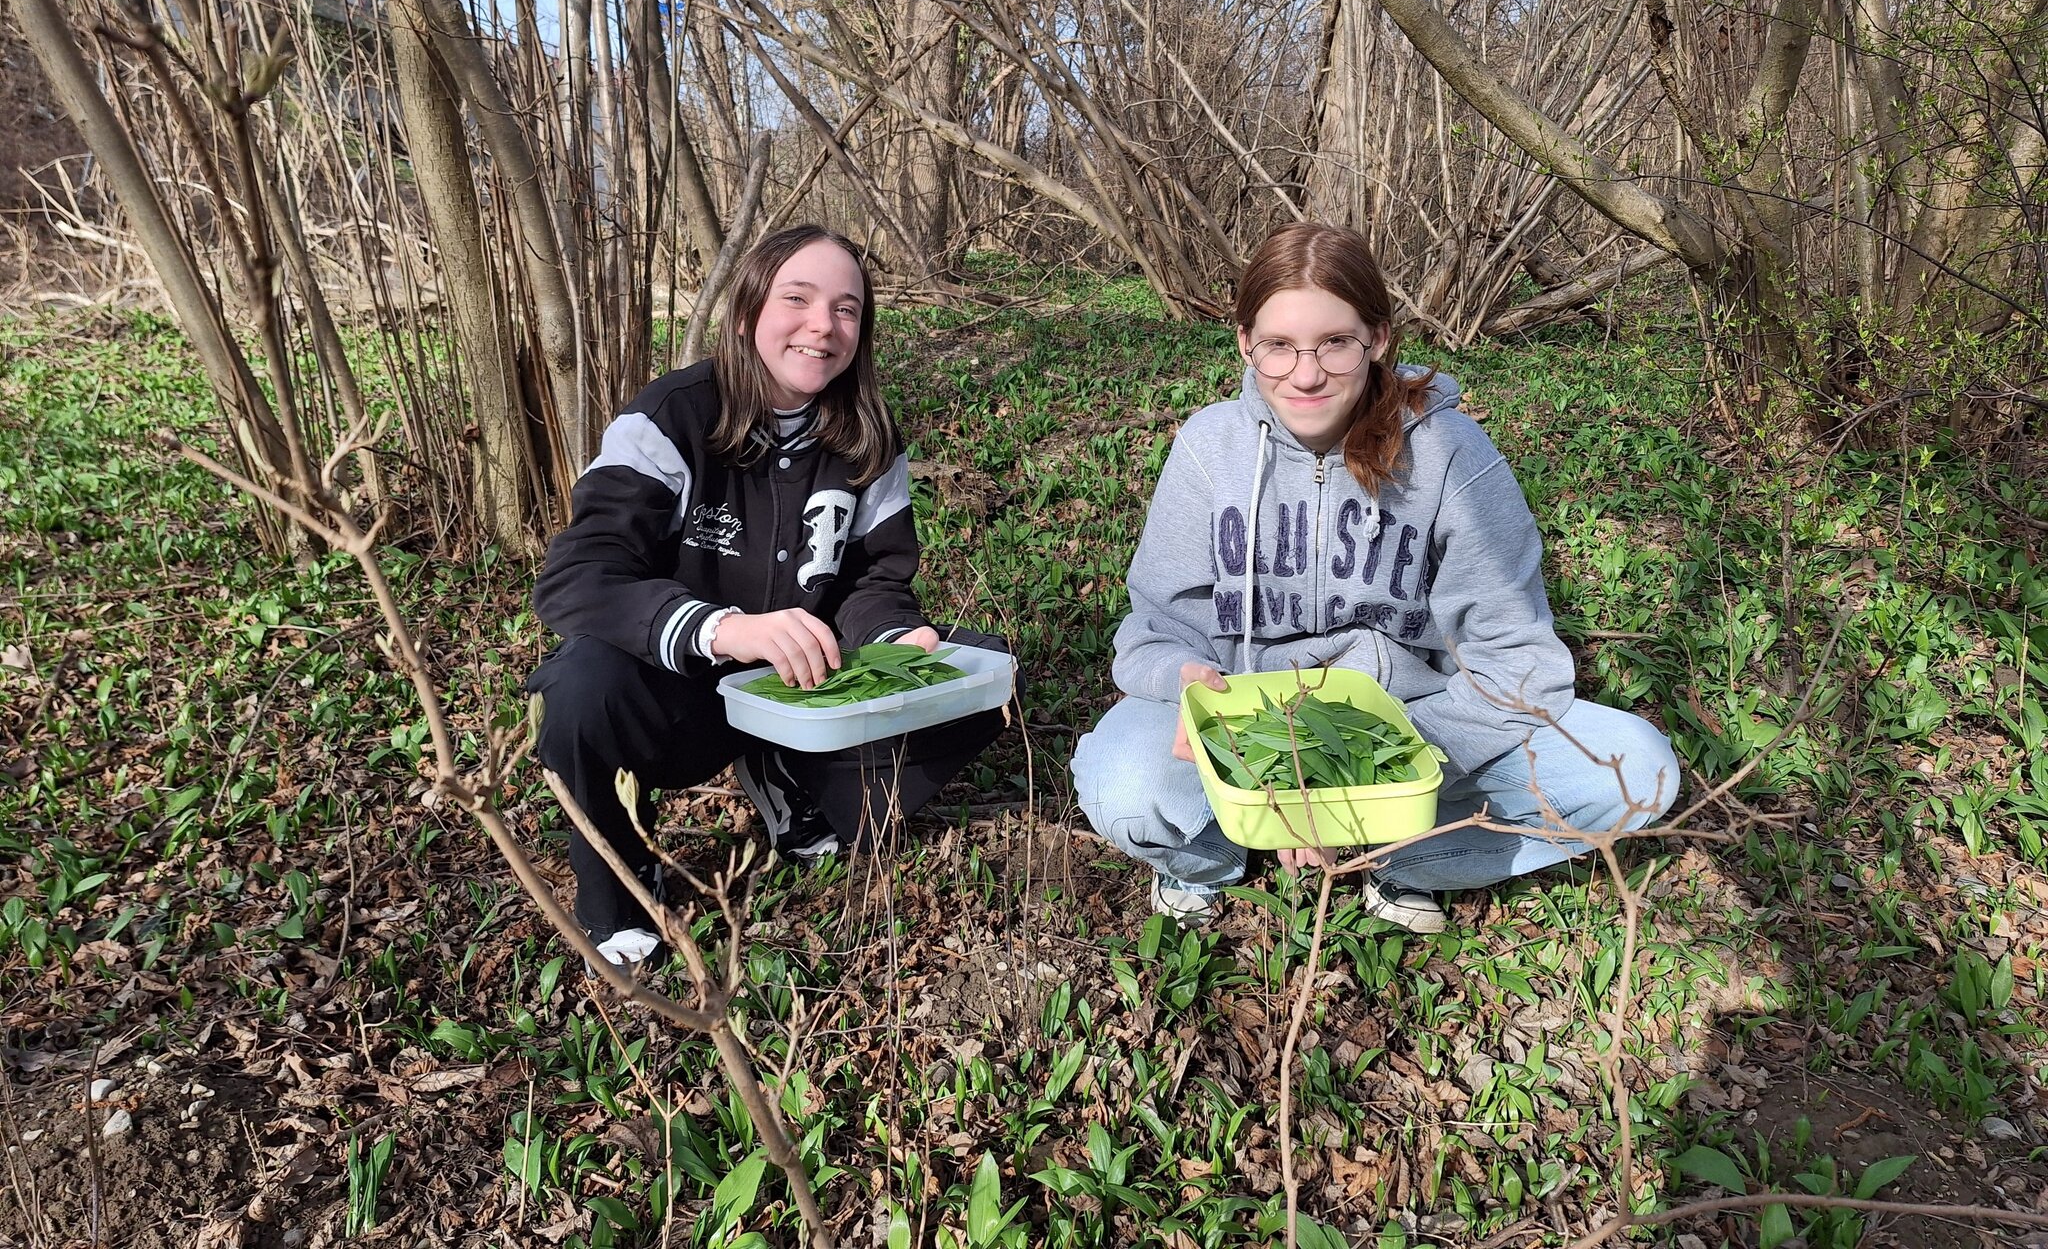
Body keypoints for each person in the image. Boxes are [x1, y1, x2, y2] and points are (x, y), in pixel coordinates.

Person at [1072, 223, 1676, 930]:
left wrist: (1368, 783)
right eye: (1278, 346)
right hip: (1243, 714)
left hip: (1405, 724)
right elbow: (1157, 626)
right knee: (1123, 788)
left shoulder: (1450, 454)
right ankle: (1217, 854)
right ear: (1244, 342)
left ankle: (1393, 856)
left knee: (1637, 770)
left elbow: (1515, 656)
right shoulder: (1210, 448)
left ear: (1379, 338)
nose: (1305, 373)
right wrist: (1190, 688)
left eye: (1335, 342)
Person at [529, 225, 1006, 970]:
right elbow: (577, 575)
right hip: (678, 687)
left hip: (800, 688)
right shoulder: (671, 416)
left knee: (979, 670)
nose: (824, 325)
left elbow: (874, 580)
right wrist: (722, 630)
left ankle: (785, 774)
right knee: (577, 687)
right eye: (799, 299)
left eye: (847, 309)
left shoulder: (869, 436)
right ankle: (618, 888)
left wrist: (894, 639)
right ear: (748, 311)